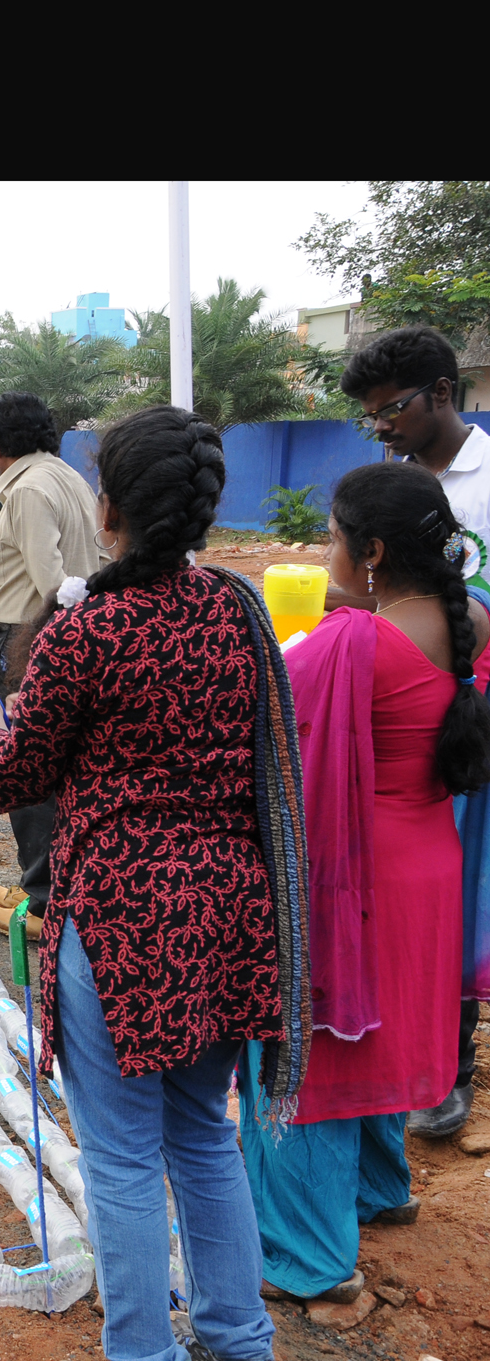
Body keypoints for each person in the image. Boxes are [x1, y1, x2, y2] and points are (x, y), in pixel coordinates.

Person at [0, 405, 295, 1361]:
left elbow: (6, 782)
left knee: (120, 1157)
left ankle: (145, 1357)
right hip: (228, 909)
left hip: (119, 917)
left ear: (109, 511)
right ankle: (239, 1341)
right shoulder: (239, 614)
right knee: (203, 1135)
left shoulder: (85, 633)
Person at [241, 465, 490, 1301]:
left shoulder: (353, 646)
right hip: (428, 858)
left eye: (333, 536)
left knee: (313, 1049)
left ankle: (307, 1260)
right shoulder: (472, 621)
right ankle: (381, 1190)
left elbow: (273, 715)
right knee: (375, 1027)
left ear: (371, 551)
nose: (325, 550)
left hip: (357, 869)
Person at [340, 326, 490, 1138]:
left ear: (443, 390)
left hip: (464, 712)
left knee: (458, 896)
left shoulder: (487, 482)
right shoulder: (389, 482)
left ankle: (444, 1069)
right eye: (371, 416)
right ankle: (396, 1058)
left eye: (392, 408)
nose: (383, 425)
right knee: (401, 895)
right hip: (396, 709)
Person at [0, 391, 105, 938]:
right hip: (72, 630)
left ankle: (43, 899)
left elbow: (52, 582)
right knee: (64, 766)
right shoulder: (67, 477)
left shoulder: (27, 491)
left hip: (33, 637)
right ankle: (50, 881)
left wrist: (41, 648)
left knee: (28, 764)